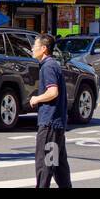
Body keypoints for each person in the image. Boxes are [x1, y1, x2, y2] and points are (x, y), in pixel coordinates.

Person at [29, 33, 72, 188]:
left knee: (45, 165)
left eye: (35, 45)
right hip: (56, 125)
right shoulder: (52, 64)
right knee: (58, 166)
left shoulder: (48, 66)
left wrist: (37, 98)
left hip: (49, 126)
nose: (32, 48)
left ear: (44, 48)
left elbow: (53, 92)